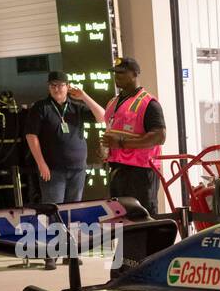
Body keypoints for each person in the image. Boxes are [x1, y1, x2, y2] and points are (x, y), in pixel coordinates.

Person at [96, 57, 166, 214]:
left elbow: (159, 136)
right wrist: (105, 149)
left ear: (135, 74)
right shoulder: (114, 101)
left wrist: (121, 143)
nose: (117, 76)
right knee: (121, 219)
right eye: (115, 73)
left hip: (141, 171)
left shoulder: (149, 103)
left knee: (142, 218)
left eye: (122, 73)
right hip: (118, 169)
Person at [24, 71, 95, 207]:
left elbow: (102, 116)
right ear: (48, 87)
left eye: (60, 85)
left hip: (78, 169)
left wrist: (84, 96)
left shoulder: (76, 107)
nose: (56, 89)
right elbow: (31, 135)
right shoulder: (41, 107)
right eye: (52, 86)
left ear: (68, 86)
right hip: (53, 170)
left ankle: (72, 229)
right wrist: (41, 163)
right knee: (54, 210)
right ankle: (55, 229)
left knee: (74, 210)